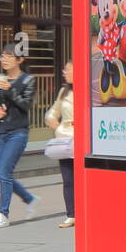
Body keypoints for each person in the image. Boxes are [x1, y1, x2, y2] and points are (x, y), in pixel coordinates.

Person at [0, 44, 39, 229]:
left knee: (3, 173)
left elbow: (25, 106)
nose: (4, 59)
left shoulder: (28, 80)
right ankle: (30, 199)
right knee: (4, 174)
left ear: (20, 60)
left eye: (9, 56)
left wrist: (9, 89)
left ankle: (3, 214)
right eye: (2, 56)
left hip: (17, 132)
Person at [45, 61, 76, 229]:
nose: (64, 72)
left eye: (68, 69)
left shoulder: (90, 90)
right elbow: (53, 112)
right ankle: (71, 215)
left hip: (84, 141)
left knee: (84, 179)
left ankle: (87, 212)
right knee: (68, 179)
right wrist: (53, 121)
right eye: (65, 69)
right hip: (65, 141)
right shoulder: (63, 91)